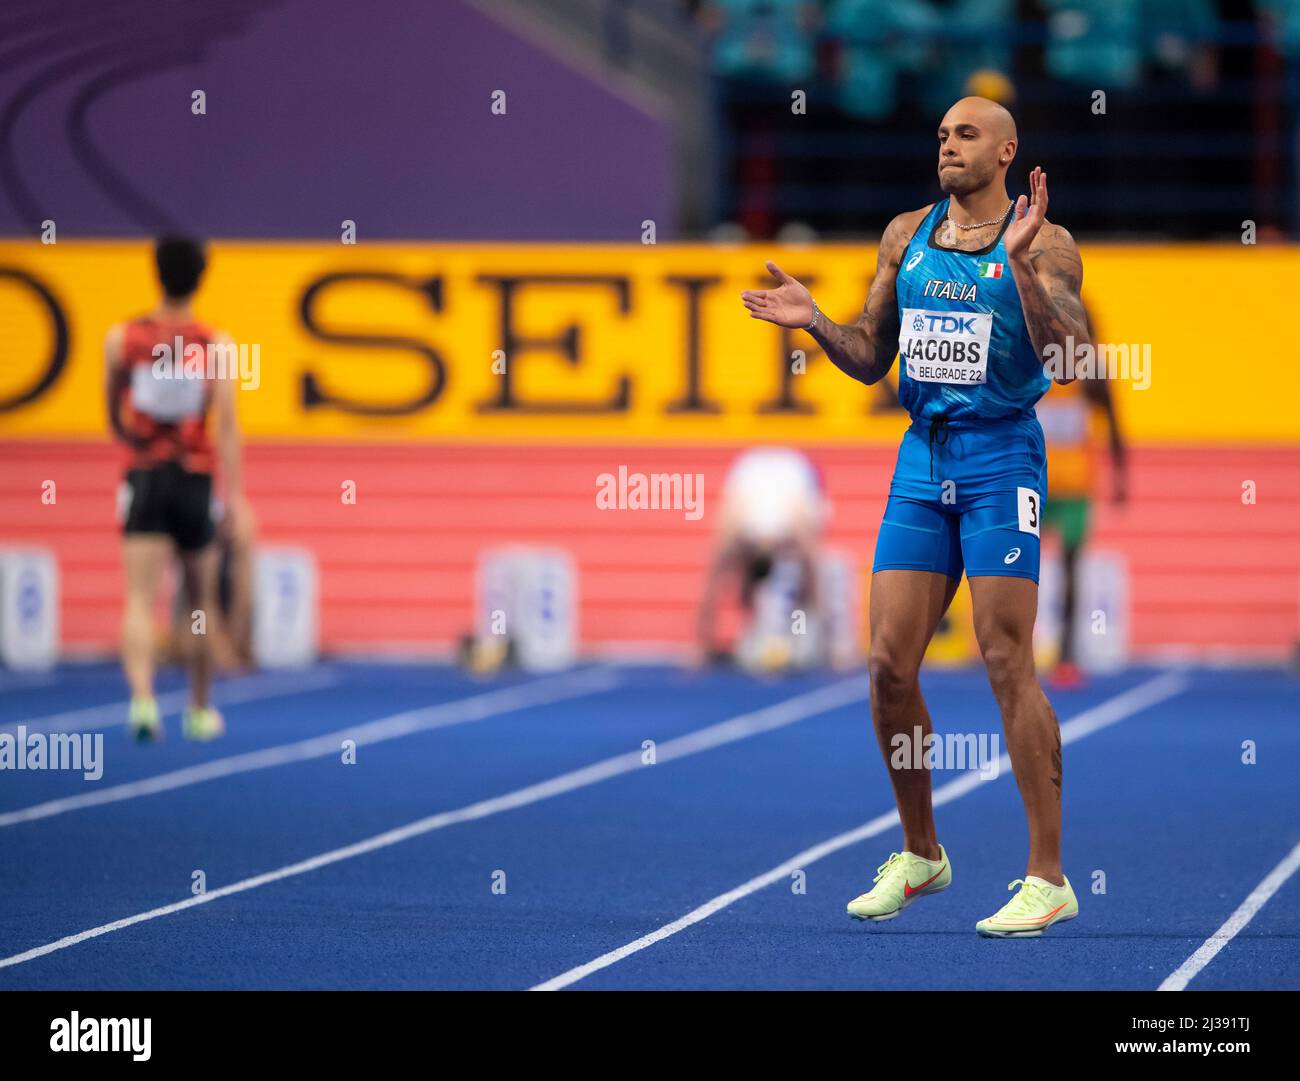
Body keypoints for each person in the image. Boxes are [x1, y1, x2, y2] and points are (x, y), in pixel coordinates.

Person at [740, 97, 1088, 936]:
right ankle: (922, 852)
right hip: (921, 457)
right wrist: (815, 321)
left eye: (965, 135)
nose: (947, 145)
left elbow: (1070, 357)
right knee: (887, 667)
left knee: (1006, 658)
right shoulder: (905, 235)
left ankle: (1048, 875)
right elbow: (869, 357)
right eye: (940, 134)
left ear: (1007, 151)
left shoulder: (1047, 242)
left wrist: (1017, 268)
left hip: (1003, 453)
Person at [106, 236, 246, 742]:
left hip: (145, 475)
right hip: (195, 478)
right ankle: (199, 709)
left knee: (140, 599)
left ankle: (143, 701)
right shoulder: (216, 345)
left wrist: (133, 441)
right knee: (201, 600)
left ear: (156, 272)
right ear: (200, 277)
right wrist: (239, 497)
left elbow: (112, 408)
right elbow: (227, 425)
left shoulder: (124, 338)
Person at [1038, 303, 1127, 689]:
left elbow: (1114, 425)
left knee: (1072, 569)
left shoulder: (1092, 372)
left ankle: (1065, 654)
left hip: (1075, 488)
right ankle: (1012, 646)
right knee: (1015, 565)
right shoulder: (1034, 362)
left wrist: (1122, 477)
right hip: (1033, 482)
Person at [695, 446, 827, 670]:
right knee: (727, 565)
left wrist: (821, 637)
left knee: (804, 581)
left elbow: (812, 572)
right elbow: (714, 578)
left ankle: (800, 636)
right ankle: (778, 632)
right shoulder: (742, 528)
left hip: (789, 501)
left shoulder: (792, 521)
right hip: (760, 509)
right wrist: (702, 643)